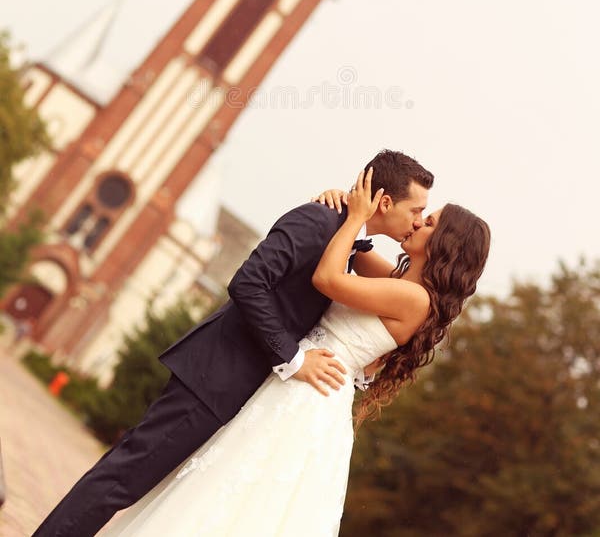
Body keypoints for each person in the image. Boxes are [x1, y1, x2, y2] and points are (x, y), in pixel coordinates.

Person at [33, 150, 435, 537]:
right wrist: (293, 358)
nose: (417, 222)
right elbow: (248, 282)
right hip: (215, 376)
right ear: (384, 202)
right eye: (416, 210)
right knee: (122, 479)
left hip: (243, 391)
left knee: (148, 488)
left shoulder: (347, 241)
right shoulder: (316, 220)